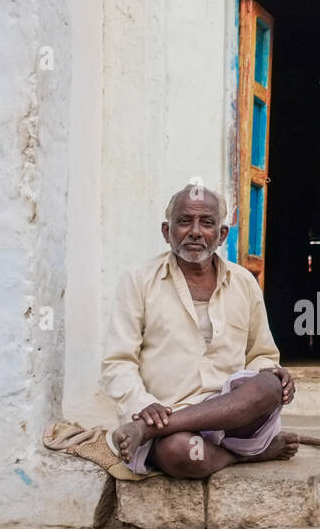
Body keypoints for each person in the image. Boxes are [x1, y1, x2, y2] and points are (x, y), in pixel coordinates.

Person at [99, 184, 299, 478]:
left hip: (230, 418)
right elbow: (118, 362)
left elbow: (261, 355)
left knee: (268, 385)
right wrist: (144, 406)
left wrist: (274, 372)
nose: (195, 231)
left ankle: (154, 431)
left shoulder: (244, 282)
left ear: (221, 235)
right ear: (167, 232)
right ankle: (244, 457)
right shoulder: (138, 280)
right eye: (184, 221)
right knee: (180, 453)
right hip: (162, 414)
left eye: (206, 223)